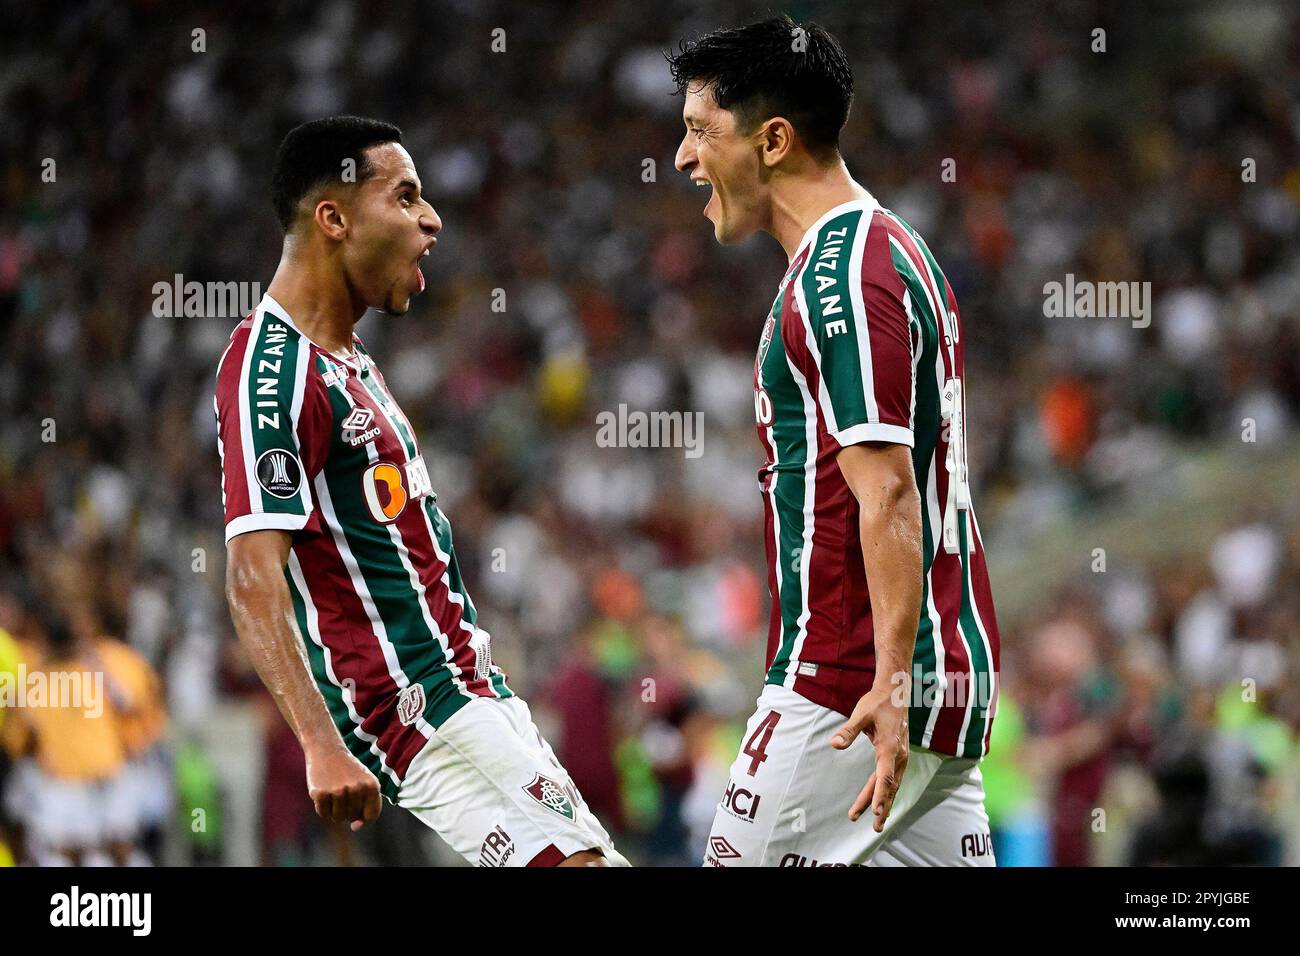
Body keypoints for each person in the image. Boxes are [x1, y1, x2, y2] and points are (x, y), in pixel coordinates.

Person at [216, 116, 626, 867]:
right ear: (333, 218)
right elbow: (251, 576)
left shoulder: (349, 358)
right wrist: (319, 743)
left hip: (472, 693)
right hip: (421, 711)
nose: (432, 218)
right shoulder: (272, 369)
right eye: (405, 196)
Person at [669, 17, 1001, 866]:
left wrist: (886, 680)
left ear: (772, 140)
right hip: (934, 683)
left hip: (847, 686)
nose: (683, 158)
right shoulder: (897, 251)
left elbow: (886, 489)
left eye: (701, 132)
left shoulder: (842, 272)